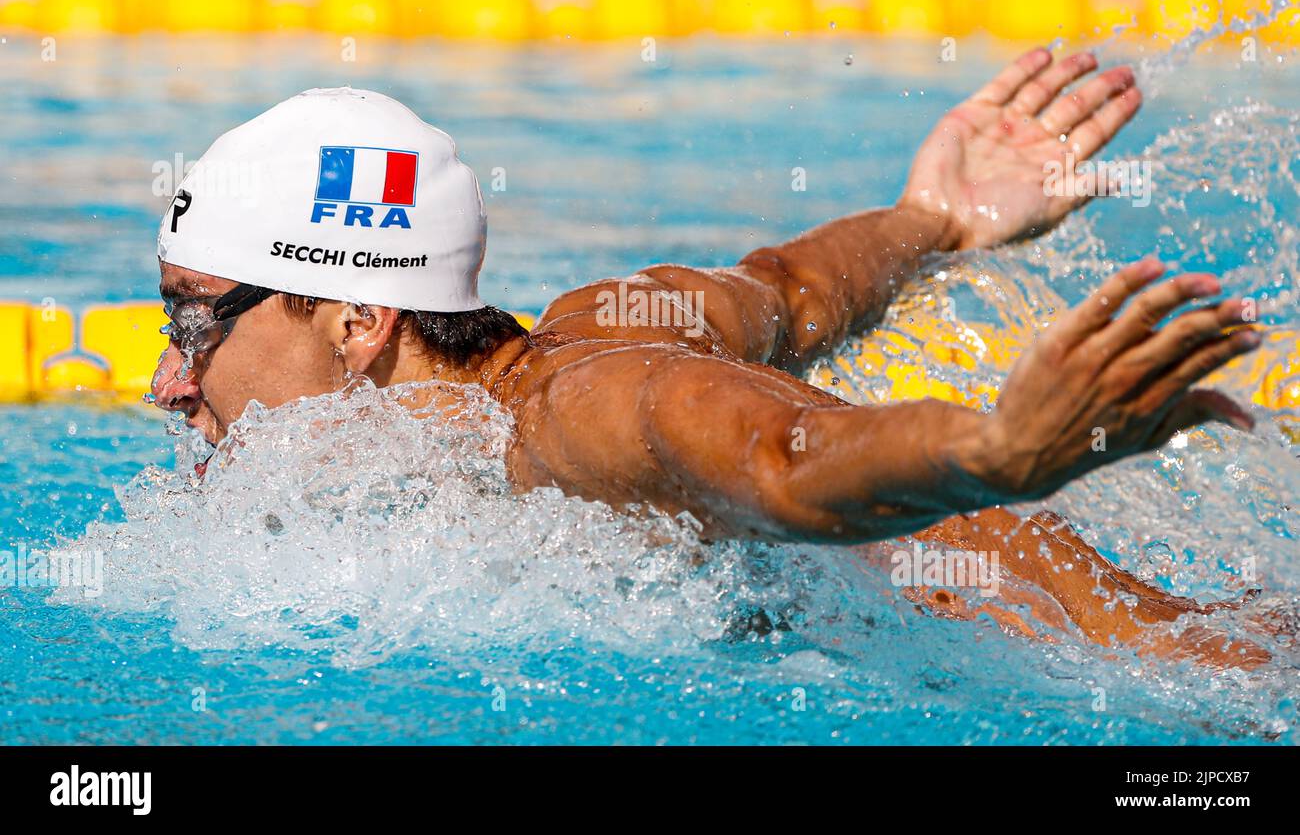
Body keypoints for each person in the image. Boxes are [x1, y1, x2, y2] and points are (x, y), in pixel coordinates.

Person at [151, 50, 1270, 669]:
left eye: (194, 320)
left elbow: (786, 454)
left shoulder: (574, 417)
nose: (169, 378)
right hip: (1207, 639)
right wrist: (934, 216)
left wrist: (997, 449)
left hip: (1190, 686)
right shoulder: (608, 317)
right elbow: (788, 290)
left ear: (357, 322)